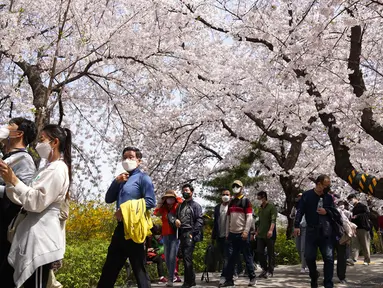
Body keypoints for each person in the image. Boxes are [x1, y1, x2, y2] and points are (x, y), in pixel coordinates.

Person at [0, 124, 71, 288]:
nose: (38, 144)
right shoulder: (45, 168)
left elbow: (37, 202)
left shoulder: (58, 168)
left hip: (41, 239)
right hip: (31, 234)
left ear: (54, 142)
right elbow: (23, 198)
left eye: (42, 139)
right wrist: (11, 182)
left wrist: (15, 180)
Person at [97, 147, 156, 288]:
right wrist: (116, 182)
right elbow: (108, 199)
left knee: (139, 269)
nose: (127, 160)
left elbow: (150, 201)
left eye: (131, 157)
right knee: (110, 267)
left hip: (134, 229)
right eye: (124, 157)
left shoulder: (143, 178)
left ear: (139, 160)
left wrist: (124, 210)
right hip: (120, 229)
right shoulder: (122, 179)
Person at [0, 118, 37, 287]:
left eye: (10, 127)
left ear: (19, 133)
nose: (5, 129)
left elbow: (24, 192)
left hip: (5, 224)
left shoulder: (24, 160)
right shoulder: (6, 156)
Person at [294, 175, 336, 288]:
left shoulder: (329, 198)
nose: (328, 188)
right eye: (326, 185)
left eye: (328, 186)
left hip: (326, 231)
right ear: (318, 184)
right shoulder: (307, 195)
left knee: (328, 257)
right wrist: (296, 225)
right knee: (309, 257)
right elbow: (300, 210)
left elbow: (335, 213)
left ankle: (328, 284)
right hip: (311, 231)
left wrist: (326, 211)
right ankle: (314, 276)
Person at [221, 180, 256, 287]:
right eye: (234, 186)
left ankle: (252, 277)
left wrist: (246, 231)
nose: (235, 187)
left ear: (242, 187)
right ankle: (229, 280)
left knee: (247, 256)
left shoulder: (246, 201)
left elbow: (249, 217)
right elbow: (228, 219)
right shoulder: (231, 202)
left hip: (242, 234)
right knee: (231, 258)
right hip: (232, 234)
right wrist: (227, 233)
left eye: (237, 186)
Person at [175, 184, 203, 288]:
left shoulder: (196, 206)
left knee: (187, 257)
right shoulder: (180, 206)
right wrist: (175, 220)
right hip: (182, 233)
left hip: (190, 232)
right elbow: (173, 216)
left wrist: (193, 233)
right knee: (186, 257)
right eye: (183, 191)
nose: (184, 192)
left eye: (186, 190)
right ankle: (192, 280)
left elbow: (200, 220)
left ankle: (187, 282)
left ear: (191, 192)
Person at [154, 190, 183, 286]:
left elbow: (182, 202)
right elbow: (156, 213)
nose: (169, 199)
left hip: (175, 235)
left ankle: (171, 278)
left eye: (171, 198)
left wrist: (175, 195)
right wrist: (160, 202)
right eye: (167, 198)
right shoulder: (164, 209)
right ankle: (172, 275)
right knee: (166, 257)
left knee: (172, 257)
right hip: (165, 235)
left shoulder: (177, 206)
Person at [256, 191, 277, 279]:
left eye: (259, 198)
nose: (258, 200)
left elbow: (273, 220)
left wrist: (271, 230)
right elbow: (258, 221)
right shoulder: (260, 208)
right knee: (259, 252)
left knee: (270, 253)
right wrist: (256, 231)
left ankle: (270, 271)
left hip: (269, 234)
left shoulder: (271, 207)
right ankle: (264, 269)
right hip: (260, 234)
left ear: (264, 197)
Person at [212, 189, 231, 285]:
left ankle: (224, 276)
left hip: (229, 236)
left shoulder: (232, 207)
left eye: (227, 194)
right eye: (223, 194)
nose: (225, 196)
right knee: (223, 256)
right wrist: (213, 236)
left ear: (230, 196)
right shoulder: (217, 207)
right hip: (219, 236)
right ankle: (230, 272)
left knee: (228, 256)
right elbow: (215, 223)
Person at [347, 194, 371, 265]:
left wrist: (358, 216)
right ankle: (353, 259)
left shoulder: (362, 206)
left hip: (363, 228)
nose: (351, 201)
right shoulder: (352, 208)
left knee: (365, 244)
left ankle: (367, 260)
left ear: (355, 198)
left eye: (351, 199)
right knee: (354, 244)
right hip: (355, 228)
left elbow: (367, 214)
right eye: (349, 200)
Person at [290, 192, 308, 273]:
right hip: (297, 227)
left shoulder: (308, 205)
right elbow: (291, 215)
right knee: (298, 246)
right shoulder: (295, 207)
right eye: (298, 196)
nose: (299, 198)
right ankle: (305, 263)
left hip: (305, 227)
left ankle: (303, 266)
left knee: (303, 248)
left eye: (301, 196)